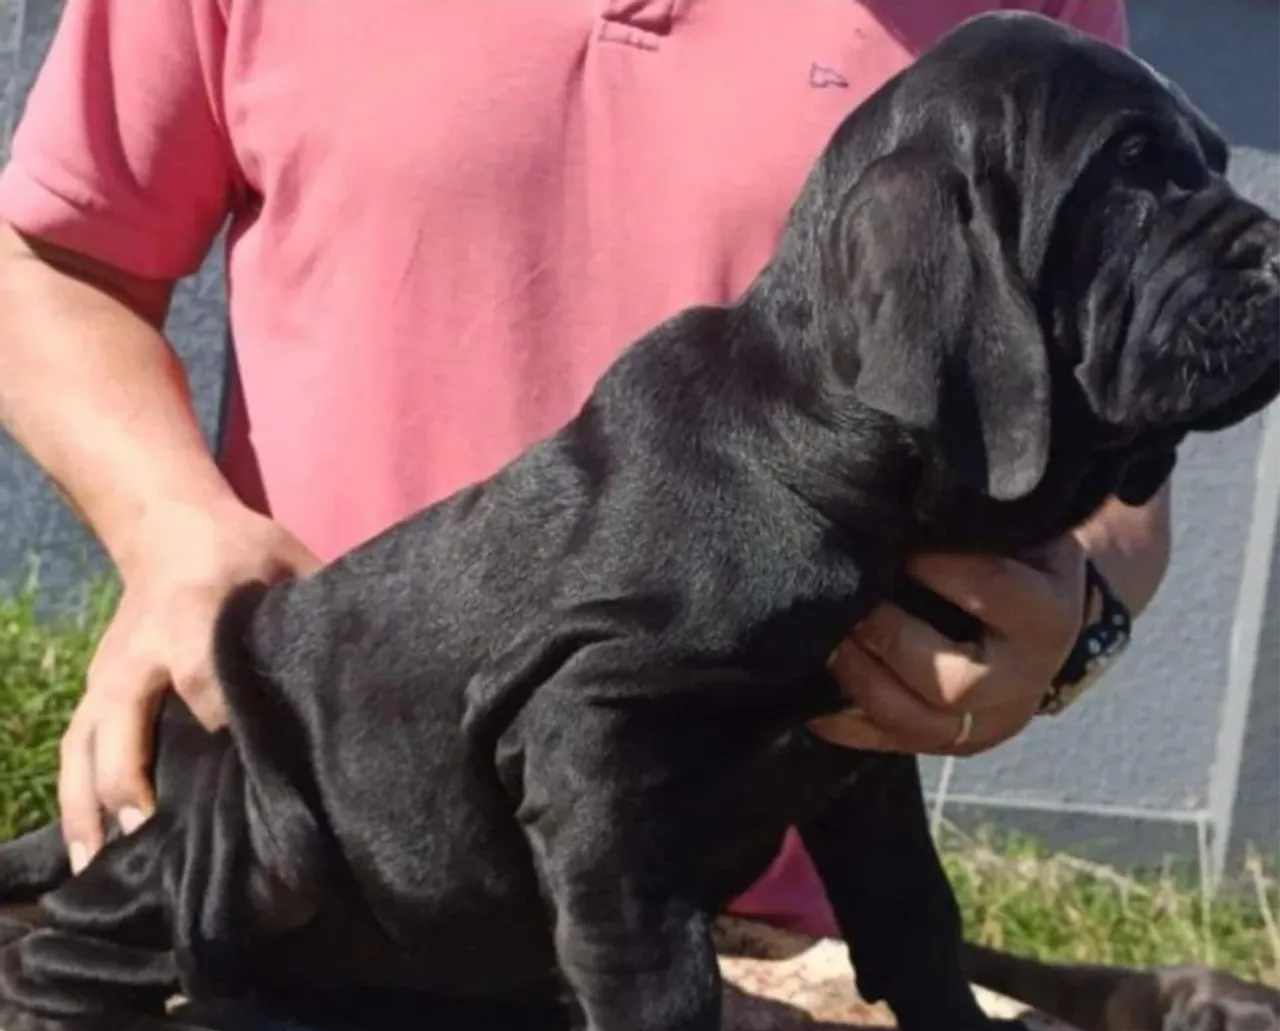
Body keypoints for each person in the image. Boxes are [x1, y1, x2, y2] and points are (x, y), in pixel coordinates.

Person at [0, 0, 1168, 937]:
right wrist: (166, 526)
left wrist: (1070, 616)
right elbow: (54, 265)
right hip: (316, 864)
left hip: (741, 931)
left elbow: (1120, 395)